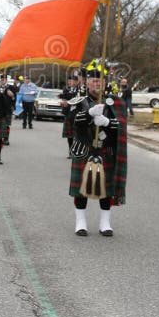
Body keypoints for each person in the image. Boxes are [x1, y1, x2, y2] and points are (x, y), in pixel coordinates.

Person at [68, 62, 127, 237]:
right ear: (87, 82)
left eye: (100, 81)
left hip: (105, 150)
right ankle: (81, 222)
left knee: (106, 190)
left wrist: (108, 122)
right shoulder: (79, 101)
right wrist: (89, 114)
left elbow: (121, 127)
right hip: (84, 150)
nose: (97, 84)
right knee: (80, 189)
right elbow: (73, 121)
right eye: (93, 80)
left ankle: (105, 222)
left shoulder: (114, 102)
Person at [59, 74, 81, 158]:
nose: (71, 82)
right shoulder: (66, 89)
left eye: (73, 81)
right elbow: (64, 98)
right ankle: (70, 151)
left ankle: (77, 151)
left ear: (77, 81)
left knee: (77, 135)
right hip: (68, 113)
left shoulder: (80, 89)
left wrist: (67, 99)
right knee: (69, 135)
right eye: (70, 81)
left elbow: (76, 98)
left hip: (77, 113)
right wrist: (63, 101)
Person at [0, 74, 17, 145]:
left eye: (4, 80)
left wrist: (12, 96)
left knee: (6, 124)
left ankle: (6, 139)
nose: (2, 81)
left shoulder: (11, 87)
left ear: (6, 80)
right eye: (1, 80)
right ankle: (0, 138)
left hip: (8, 108)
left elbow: (14, 98)